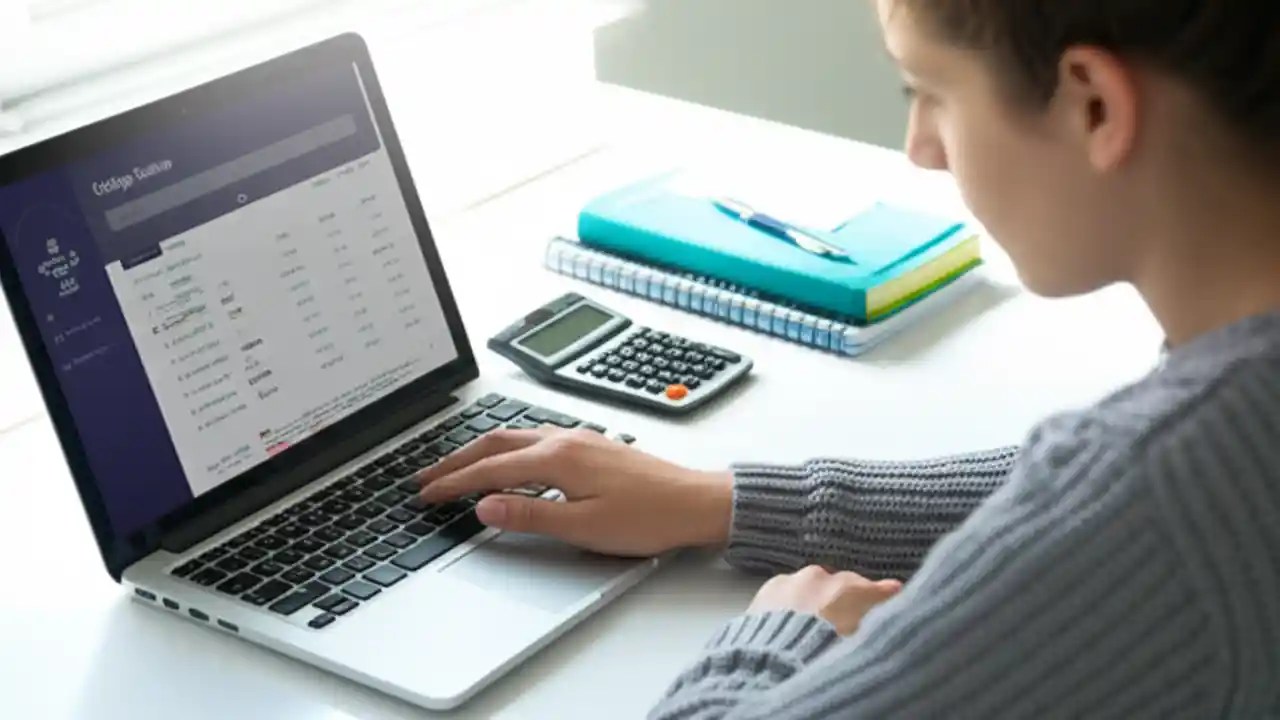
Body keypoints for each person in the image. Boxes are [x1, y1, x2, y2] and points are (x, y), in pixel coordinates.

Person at [419, 0, 1280, 716]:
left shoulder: (1160, 494)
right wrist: (726, 503)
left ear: (1093, 104)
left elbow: (1116, 503)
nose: (921, 146)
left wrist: (777, 638)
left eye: (929, 90)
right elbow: (1088, 499)